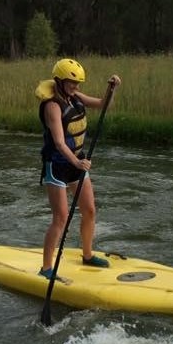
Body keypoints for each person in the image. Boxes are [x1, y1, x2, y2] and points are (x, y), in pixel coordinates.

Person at [35, 58, 121, 280]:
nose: (76, 88)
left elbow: (104, 105)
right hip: (58, 165)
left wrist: (112, 89)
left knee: (90, 210)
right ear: (59, 81)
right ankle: (46, 268)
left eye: (78, 83)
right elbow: (59, 143)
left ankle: (88, 255)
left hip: (77, 162)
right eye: (72, 83)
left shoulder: (75, 98)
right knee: (61, 218)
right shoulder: (53, 106)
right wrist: (77, 163)